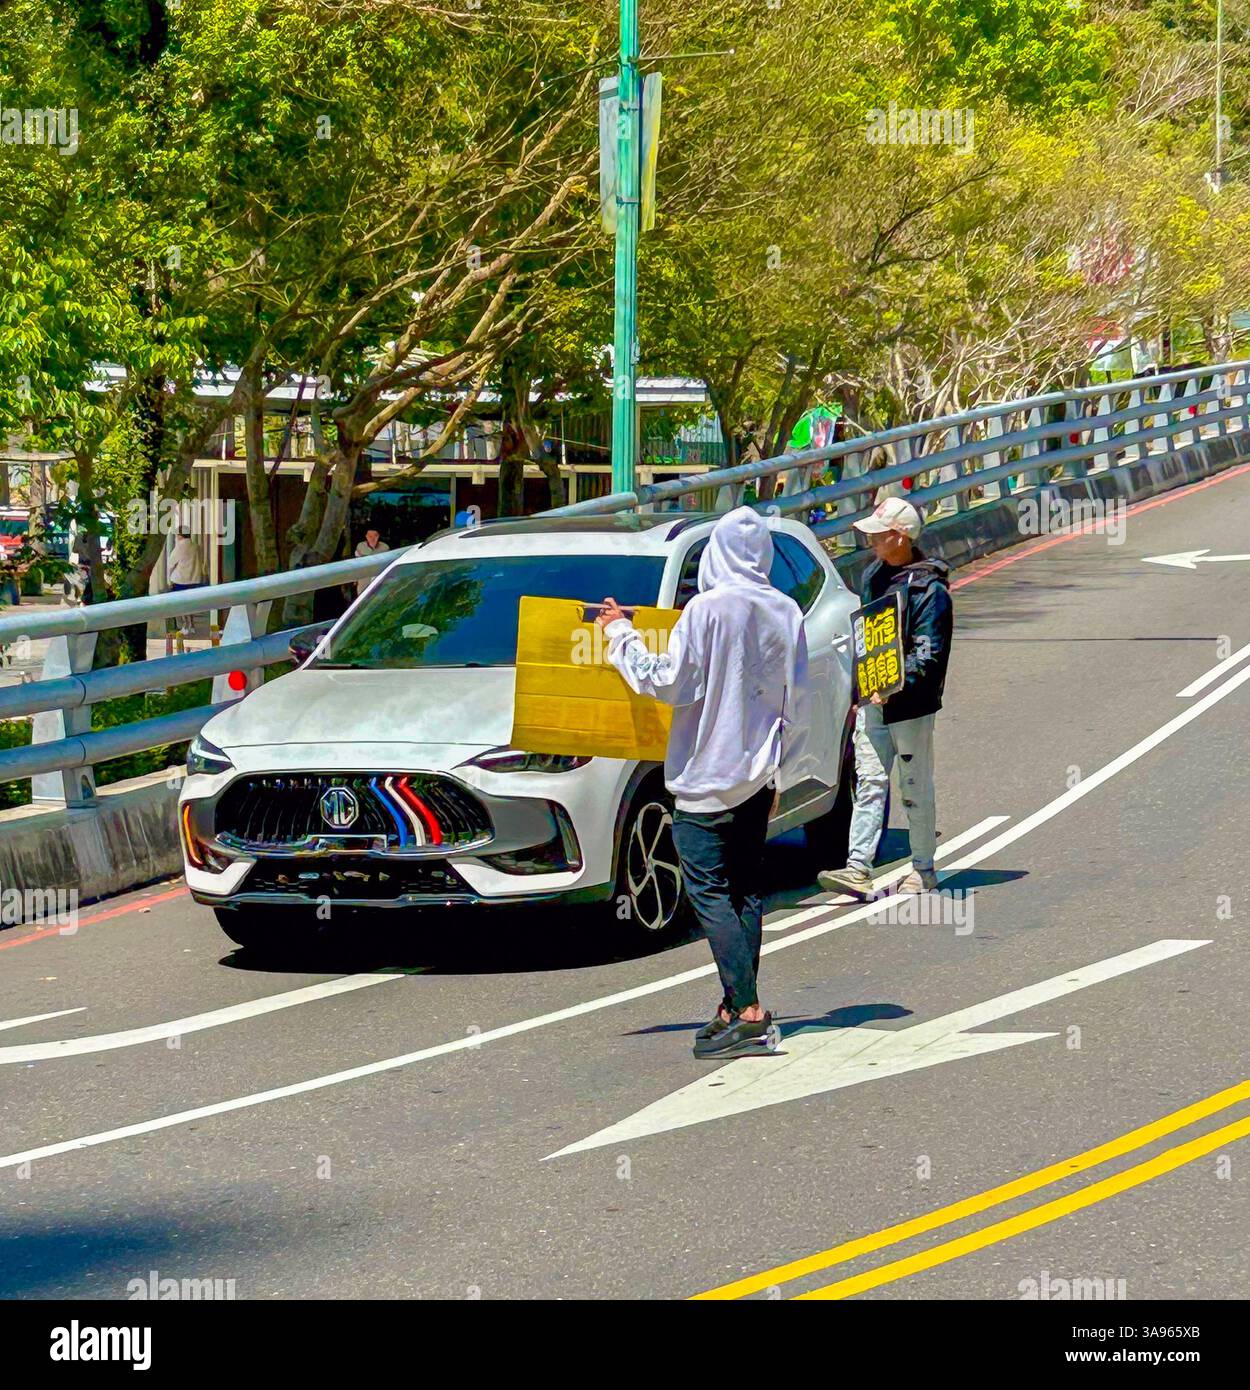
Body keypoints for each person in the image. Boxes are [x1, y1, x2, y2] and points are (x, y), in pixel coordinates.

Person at [596, 506, 807, 1059]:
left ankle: (748, 1010)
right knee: (745, 891)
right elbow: (797, 703)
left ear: (715, 555)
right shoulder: (787, 611)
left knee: (708, 892)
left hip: (705, 777)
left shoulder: (705, 610)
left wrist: (620, 633)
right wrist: (779, 768)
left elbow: (667, 683)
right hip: (758, 777)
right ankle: (733, 1006)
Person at [819, 496, 952, 899]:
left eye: (879, 536)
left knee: (914, 786)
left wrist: (895, 684)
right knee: (870, 781)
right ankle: (858, 867)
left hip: (910, 707)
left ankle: (923, 869)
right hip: (874, 702)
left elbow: (927, 653)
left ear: (900, 537)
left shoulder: (931, 591)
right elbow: (868, 640)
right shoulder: (874, 577)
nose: (872, 543)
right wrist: (862, 691)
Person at [167, 527, 204, 637]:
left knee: (182, 604)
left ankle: (186, 625)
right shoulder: (196, 546)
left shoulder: (180, 547)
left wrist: (169, 578)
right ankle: (191, 625)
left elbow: (171, 563)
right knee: (191, 603)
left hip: (180, 580)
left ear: (180, 535)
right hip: (194, 579)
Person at [354, 526, 389, 595]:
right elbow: (357, 563)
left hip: (379, 578)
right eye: (370, 536)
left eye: (375, 536)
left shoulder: (385, 547)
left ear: (378, 536)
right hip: (364, 578)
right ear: (366, 536)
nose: (373, 538)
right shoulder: (360, 546)